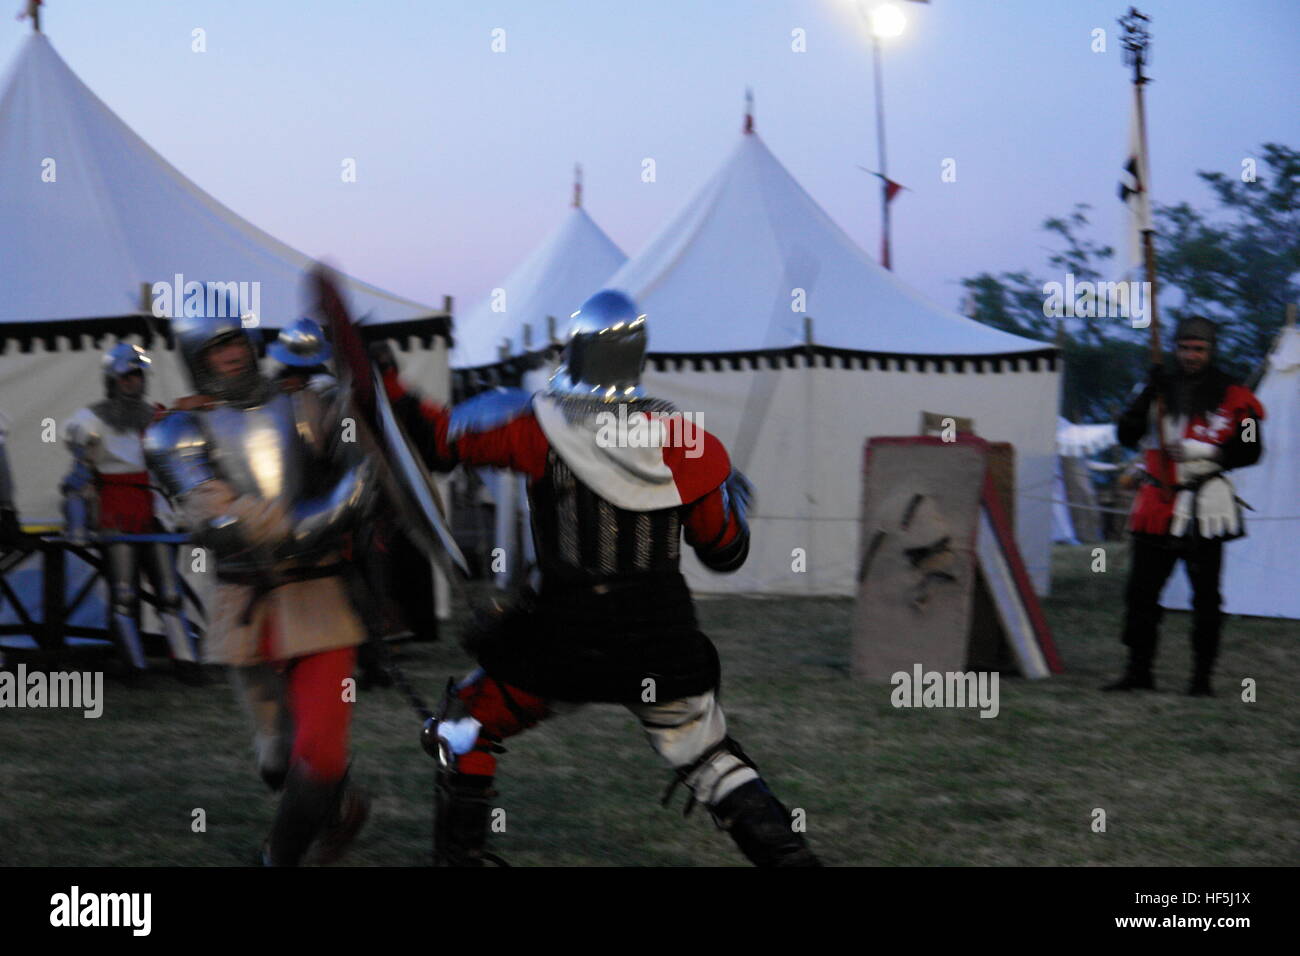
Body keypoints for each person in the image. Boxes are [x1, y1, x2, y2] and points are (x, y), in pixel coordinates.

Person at [379, 290, 819, 867]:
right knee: (708, 758)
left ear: (576, 351)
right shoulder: (687, 441)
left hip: (565, 636)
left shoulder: (538, 428)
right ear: (637, 356)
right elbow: (724, 552)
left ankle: (463, 858)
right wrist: (730, 500)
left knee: (466, 724)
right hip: (658, 637)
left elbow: (440, 442)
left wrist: (387, 381)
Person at [144, 307, 375, 865]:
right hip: (245, 605)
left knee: (316, 754)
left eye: (236, 343)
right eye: (215, 349)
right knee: (277, 760)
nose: (231, 355)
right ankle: (338, 808)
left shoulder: (302, 404)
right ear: (197, 361)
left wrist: (359, 432)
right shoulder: (179, 429)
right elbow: (216, 523)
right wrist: (321, 516)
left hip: (317, 598)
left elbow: (361, 462)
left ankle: (278, 858)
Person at [1105, 316, 1265, 696]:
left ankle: (1201, 679)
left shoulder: (1237, 396)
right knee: (1141, 593)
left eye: (1199, 349)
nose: (1191, 356)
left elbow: (1252, 449)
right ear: (1174, 348)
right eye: (1184, 348)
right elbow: (1126, 435)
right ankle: (1138, 670)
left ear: (1210, 351)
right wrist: (1147, 392)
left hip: (1204, 507)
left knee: (1206, 597)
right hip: (1156, 503)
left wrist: (1205, 449)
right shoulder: (1157, 390)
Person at [61, 344, 203, 683]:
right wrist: (78, 521)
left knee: (170, 593)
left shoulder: (156, 417)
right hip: (115, 509)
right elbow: (78, 476)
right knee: (123, 594)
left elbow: (175, 468)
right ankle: (135, 667)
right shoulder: (90, 420)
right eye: (126, 374)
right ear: (113, 378)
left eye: (137, 374)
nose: (132, 380)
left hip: (154, 510)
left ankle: (187, 664)